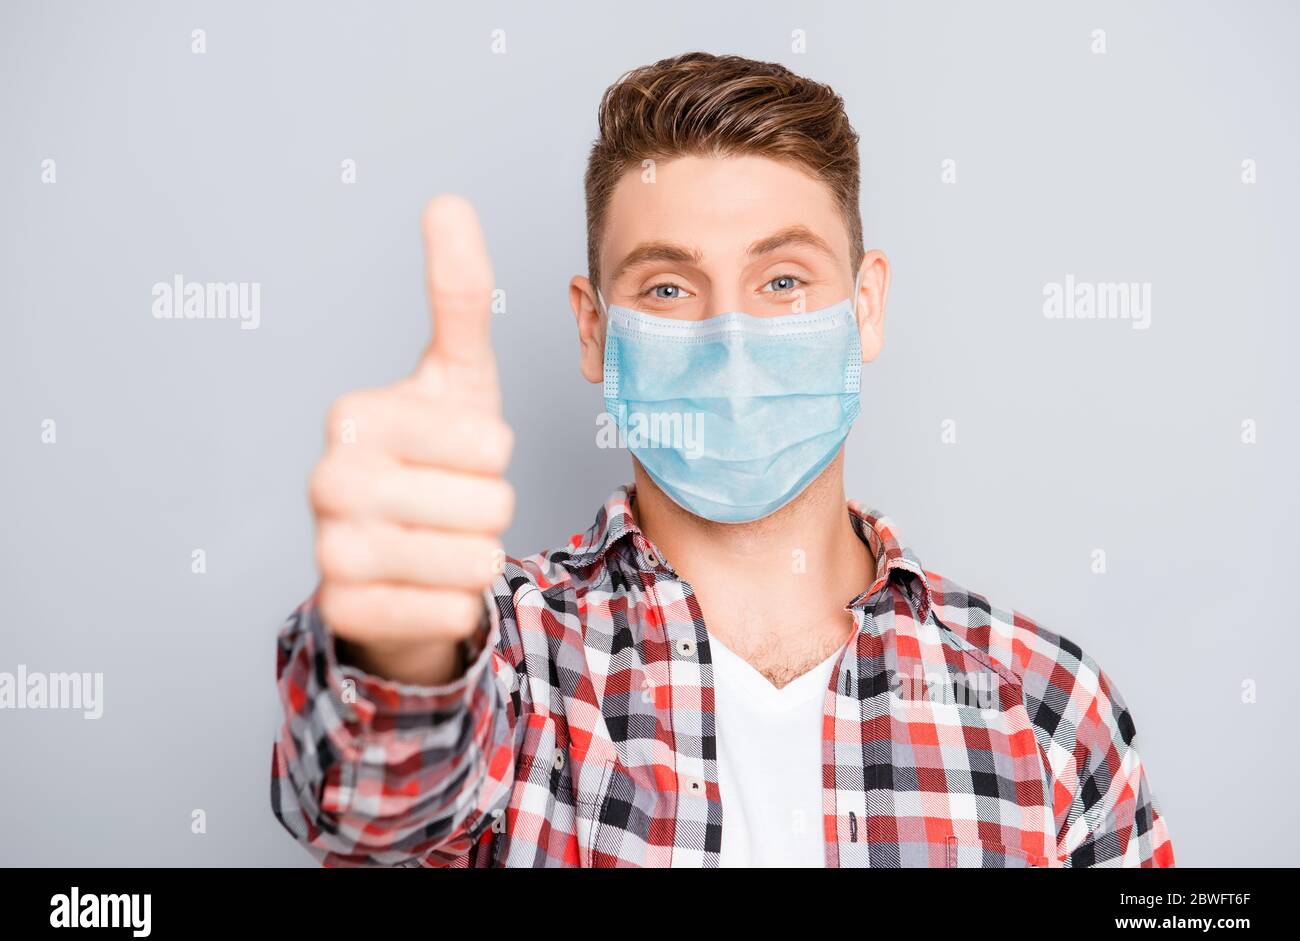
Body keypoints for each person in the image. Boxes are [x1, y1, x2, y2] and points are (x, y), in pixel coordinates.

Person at [271, 52, 1174, 868]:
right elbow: (368, 806)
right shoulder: (511, 660)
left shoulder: (1049, 707)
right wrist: (404, 649)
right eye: (667, 288)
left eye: (783, 281)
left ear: (865, 308)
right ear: (595, 331)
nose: (728, 341)